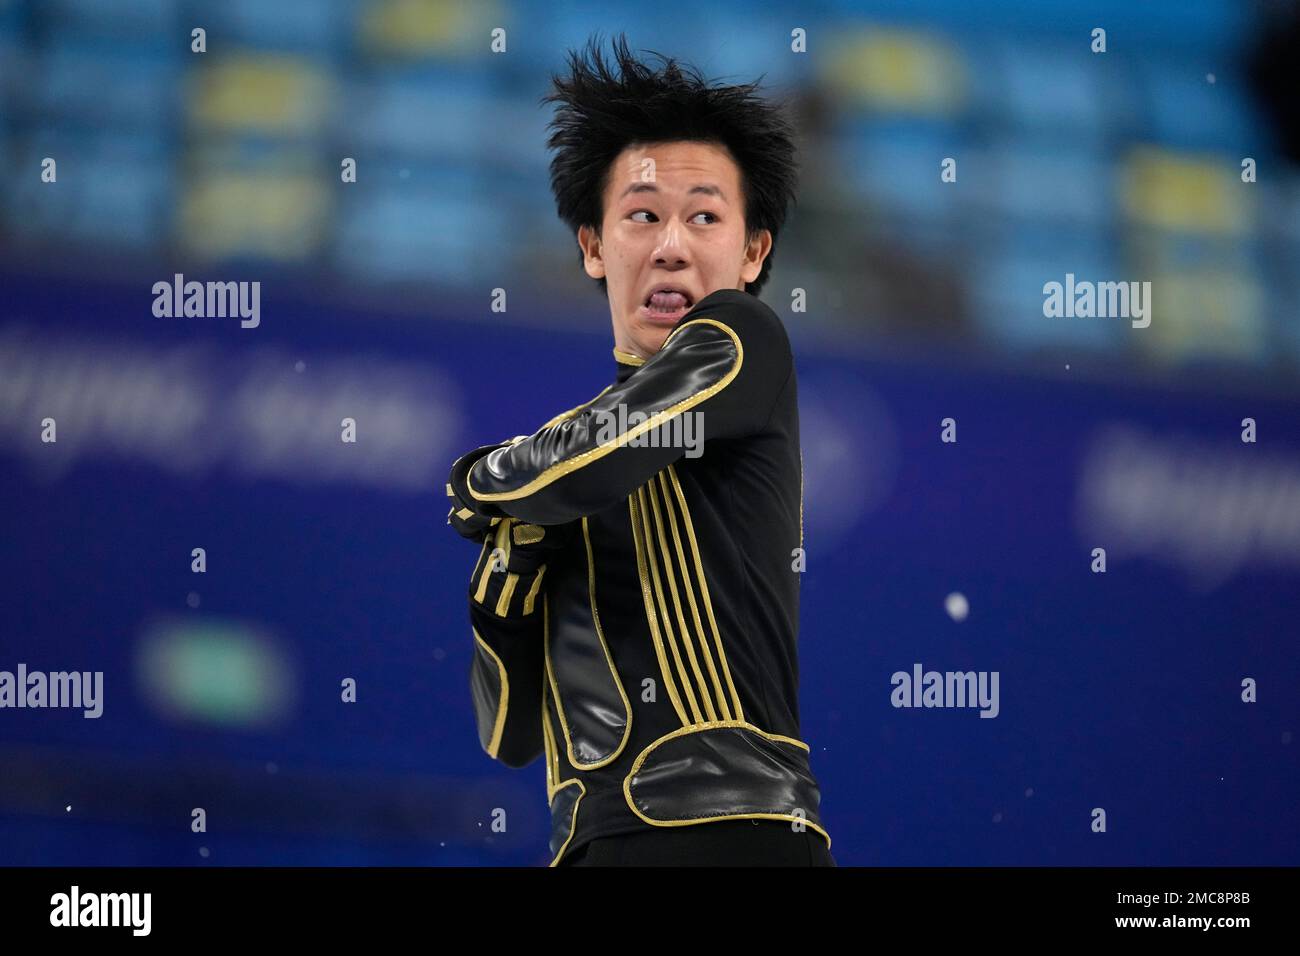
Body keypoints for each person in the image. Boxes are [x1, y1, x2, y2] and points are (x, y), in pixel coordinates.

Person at [445, 33, 834, 867]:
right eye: (643, 216)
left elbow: (589, 451)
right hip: (589, 847)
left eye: (704, 216)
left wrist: (485, 478)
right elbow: (508, 733)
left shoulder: (743, 338)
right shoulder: (563, 463)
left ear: (753, 251)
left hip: (732, 834)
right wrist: (508, 572)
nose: (671, 245)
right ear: (592, 245)